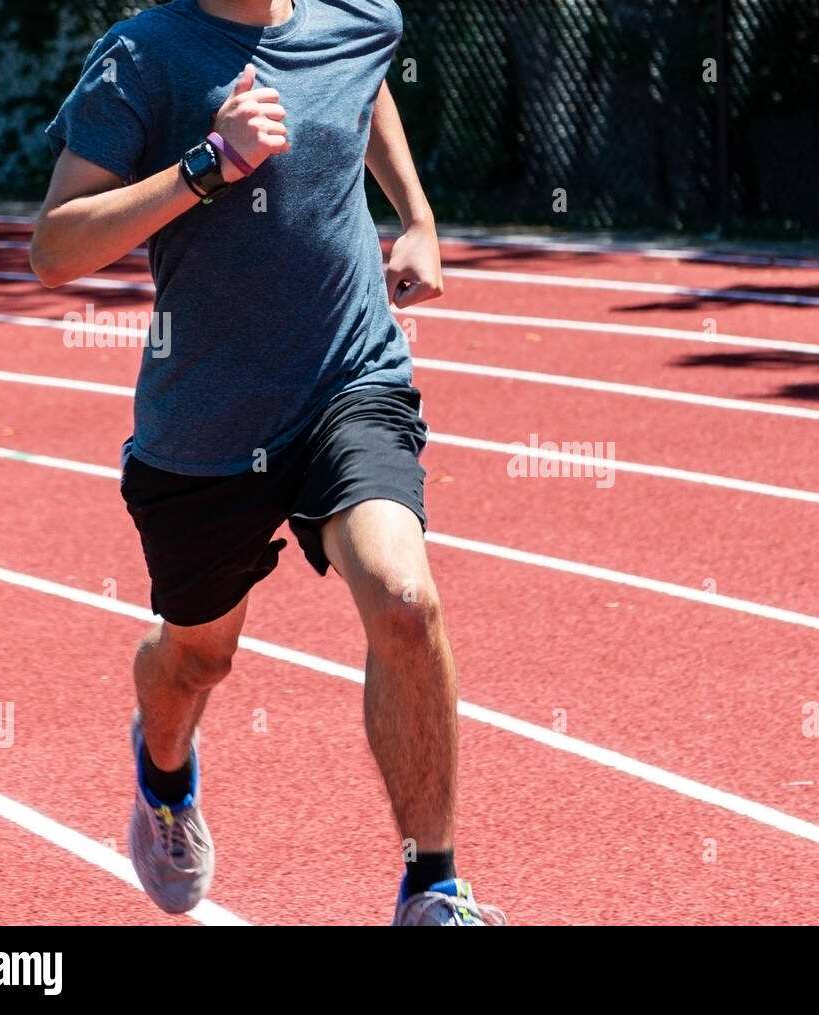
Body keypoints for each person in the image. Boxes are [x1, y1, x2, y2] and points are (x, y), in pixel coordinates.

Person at [30, 0, 503, 926]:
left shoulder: (359, 15)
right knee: (199, 657)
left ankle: (433, 888)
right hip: (207, 421)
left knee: (404, 600)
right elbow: (55, 247)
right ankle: (164, 777)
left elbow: (360, 90)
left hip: (348, 378)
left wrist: (417, 214)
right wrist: (207, 165)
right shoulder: (143, 56)